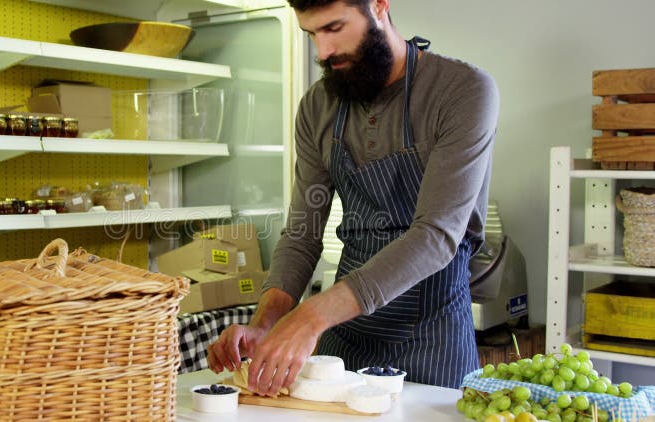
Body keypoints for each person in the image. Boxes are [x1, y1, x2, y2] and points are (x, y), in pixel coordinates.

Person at [207, 0, 499, 394]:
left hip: (433, 338)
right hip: (341, 341)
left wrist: (309, 317)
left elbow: (436, 235)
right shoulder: (318, 106)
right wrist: (266, 322)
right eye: (311, 34)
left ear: (379, 6)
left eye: (334, 28)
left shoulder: (462, 91)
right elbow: (302, 232)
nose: (322, 52)